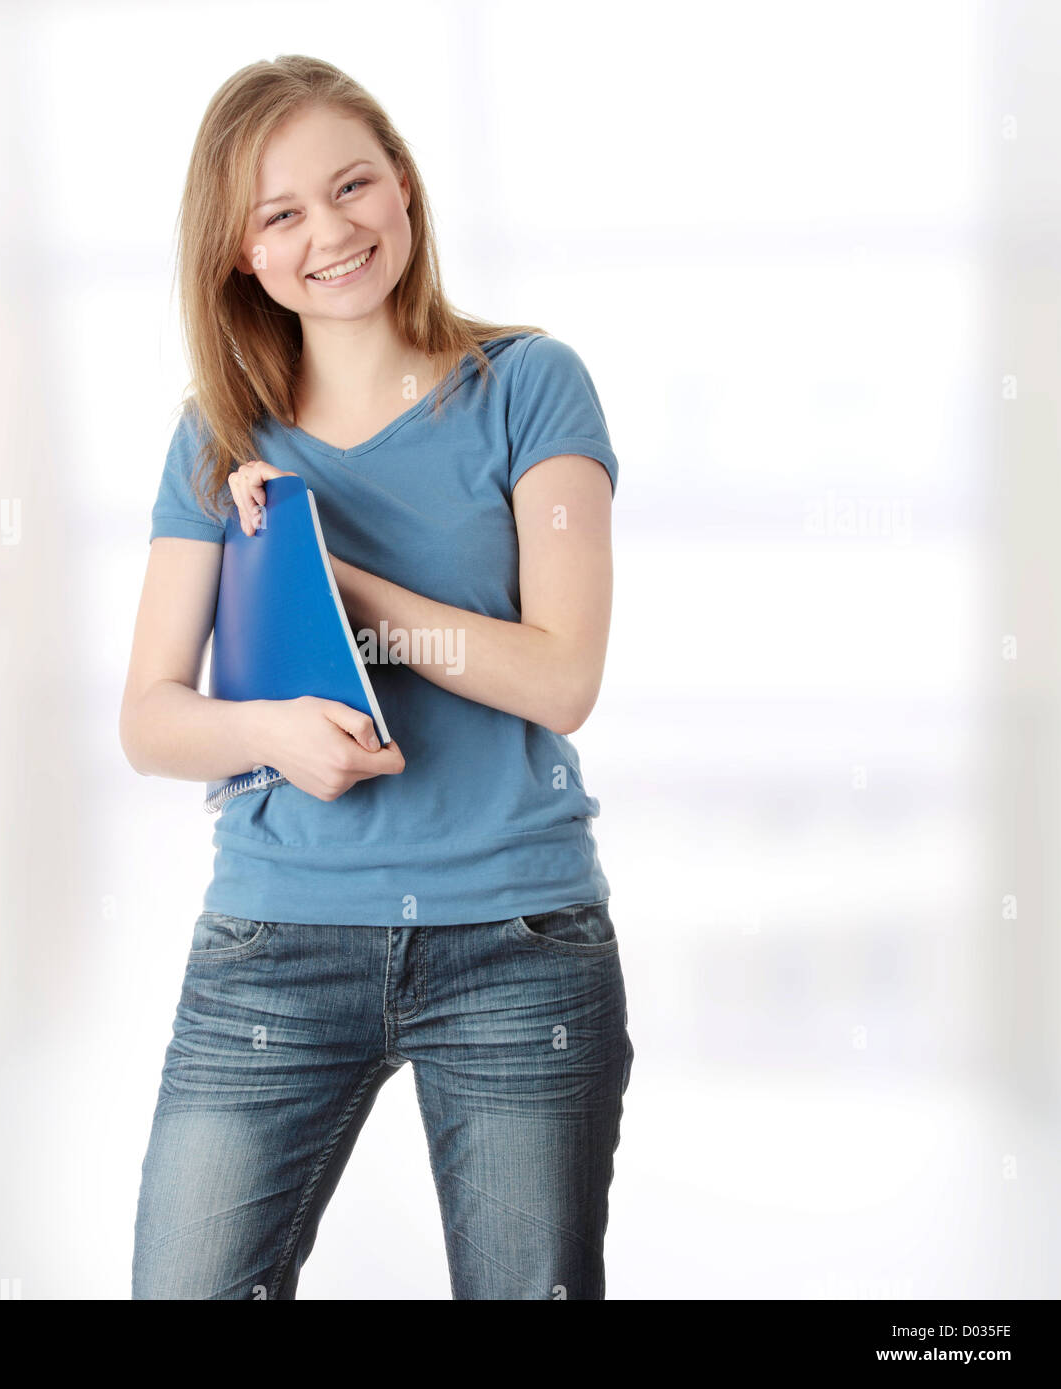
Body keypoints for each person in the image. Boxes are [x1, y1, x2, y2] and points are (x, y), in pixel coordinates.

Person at [120, 54, 633, 1300]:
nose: (331, 231)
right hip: (273, 941)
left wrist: (332, 577)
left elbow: (561, 680)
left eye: (352, 185)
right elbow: (150, 720)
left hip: (514, 939)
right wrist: (274, 736)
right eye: (280, 213)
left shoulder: (528, 384)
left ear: (402, 184)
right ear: (240, 254)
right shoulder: (218, 437)